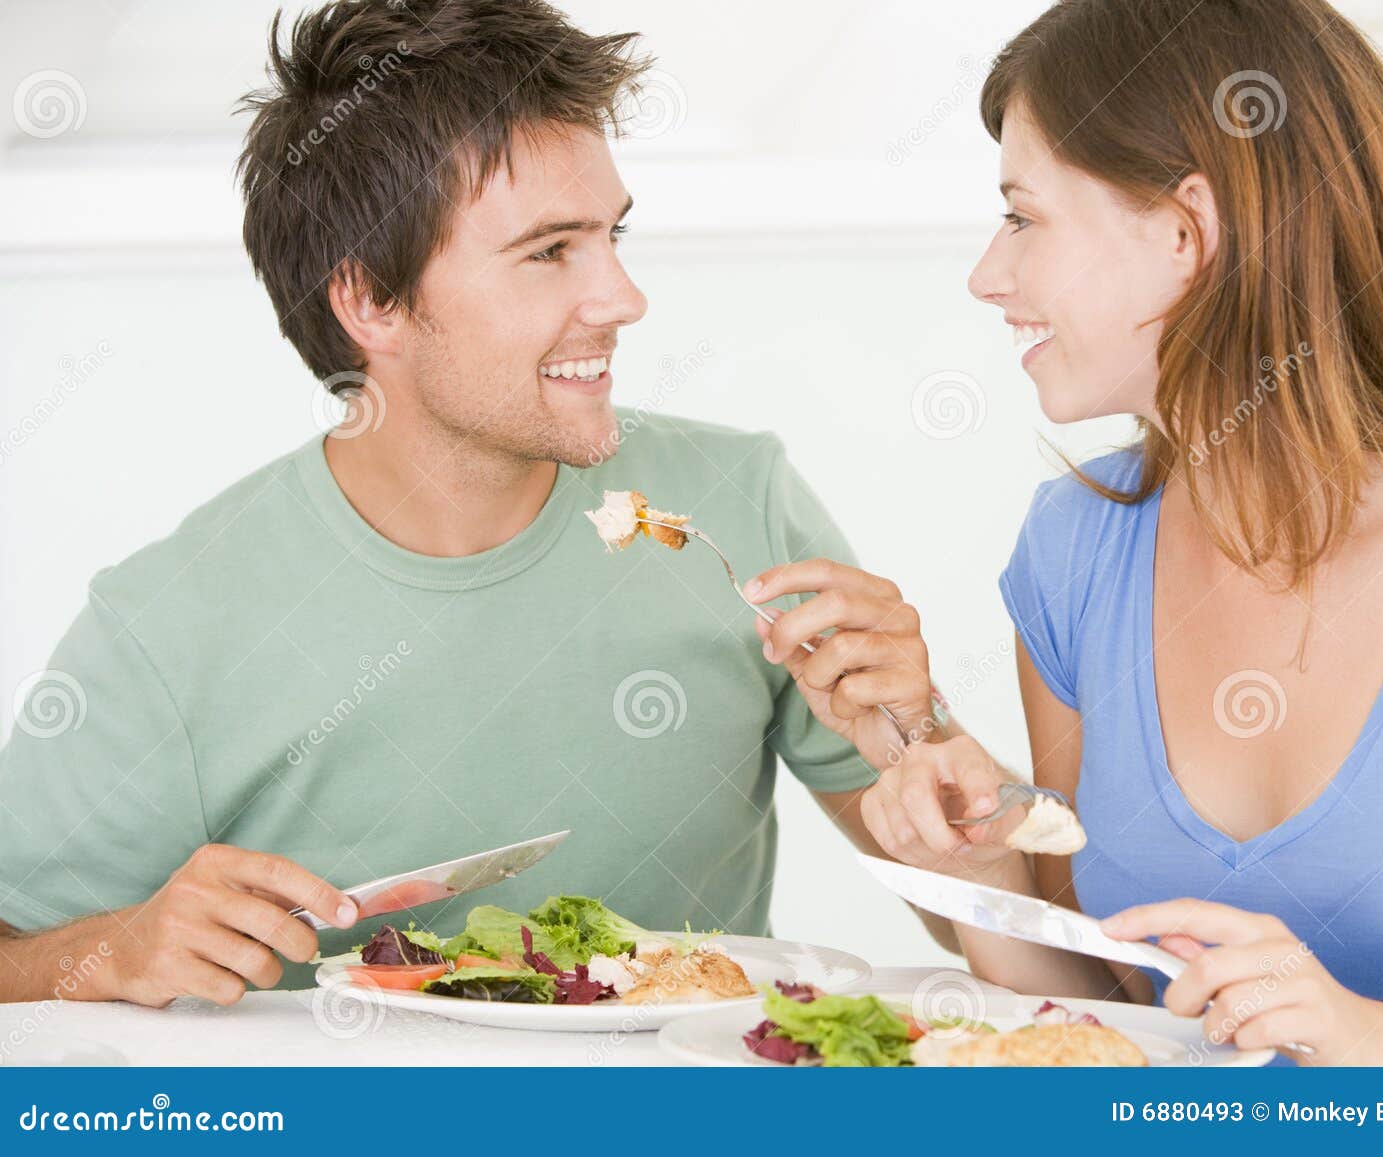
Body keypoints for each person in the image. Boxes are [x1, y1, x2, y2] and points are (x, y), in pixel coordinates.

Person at [0, 0, 947, 1007]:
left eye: (612, 236)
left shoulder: (736, 507)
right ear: (370, 300)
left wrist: (924, 740)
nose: (623, 296)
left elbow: (992, 910)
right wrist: (99, 953)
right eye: (550, 251)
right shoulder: (168, 623)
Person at [752, 0, 1383, 1063]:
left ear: (1184, 230)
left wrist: (1362, 1033)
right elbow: (1107, 1011)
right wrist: (979, 865)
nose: (987, 275)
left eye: (1022, 216)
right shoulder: (1075, 548)